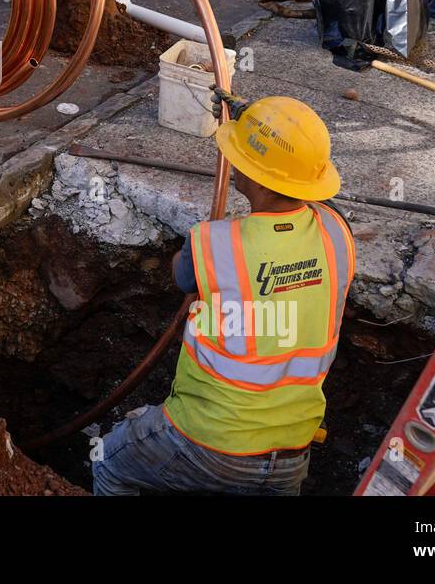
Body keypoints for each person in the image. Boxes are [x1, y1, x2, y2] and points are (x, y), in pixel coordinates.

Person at [92, 95, 356, 495]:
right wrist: (265, 129)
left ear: (251, 172)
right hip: (290, 456)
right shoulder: (338, 233)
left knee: (108, 464)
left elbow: (182, 276)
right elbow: (315, 194)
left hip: (207, 443)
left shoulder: (215, 244)